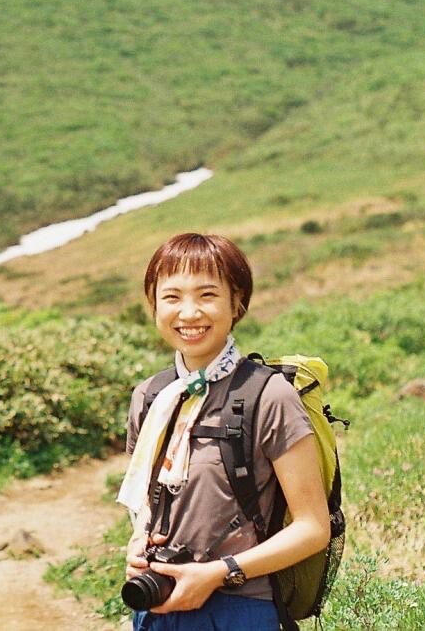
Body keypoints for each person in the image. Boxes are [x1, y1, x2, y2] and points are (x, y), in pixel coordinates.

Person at [118, 232, 330, 631]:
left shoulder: (269, 396)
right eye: (172, 297)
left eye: (207, 295)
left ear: (237, 302)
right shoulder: (150, 397)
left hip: (240, 609)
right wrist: (138, 542)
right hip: (159, 606)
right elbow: (146, 505)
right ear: (154, 305)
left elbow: (314, 528)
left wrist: (219, 572)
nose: (189, 313)